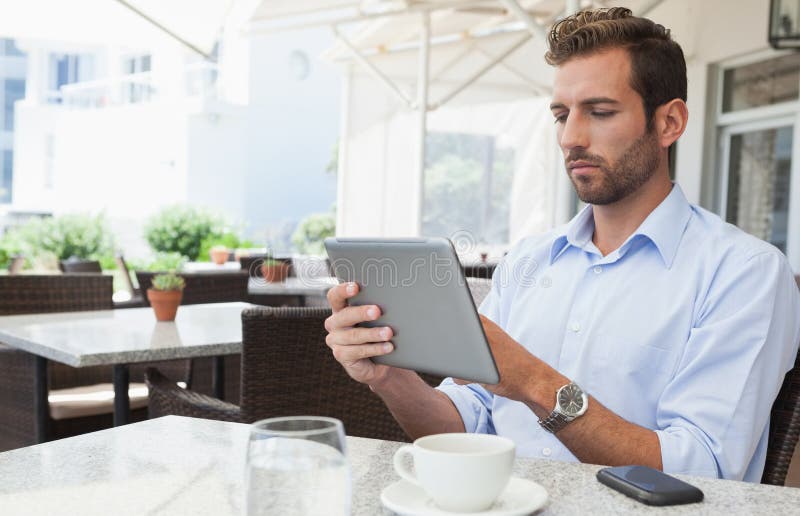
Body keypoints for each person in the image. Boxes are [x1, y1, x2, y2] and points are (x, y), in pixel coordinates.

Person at [324, 7, 800, 482]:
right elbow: (466, 425)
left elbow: (702, 470)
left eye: (600, 112)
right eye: (561, 115)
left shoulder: (744, 273)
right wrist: (390, 376)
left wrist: (534, 381)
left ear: (669, 123)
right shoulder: (529, 259)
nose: (570, 138)